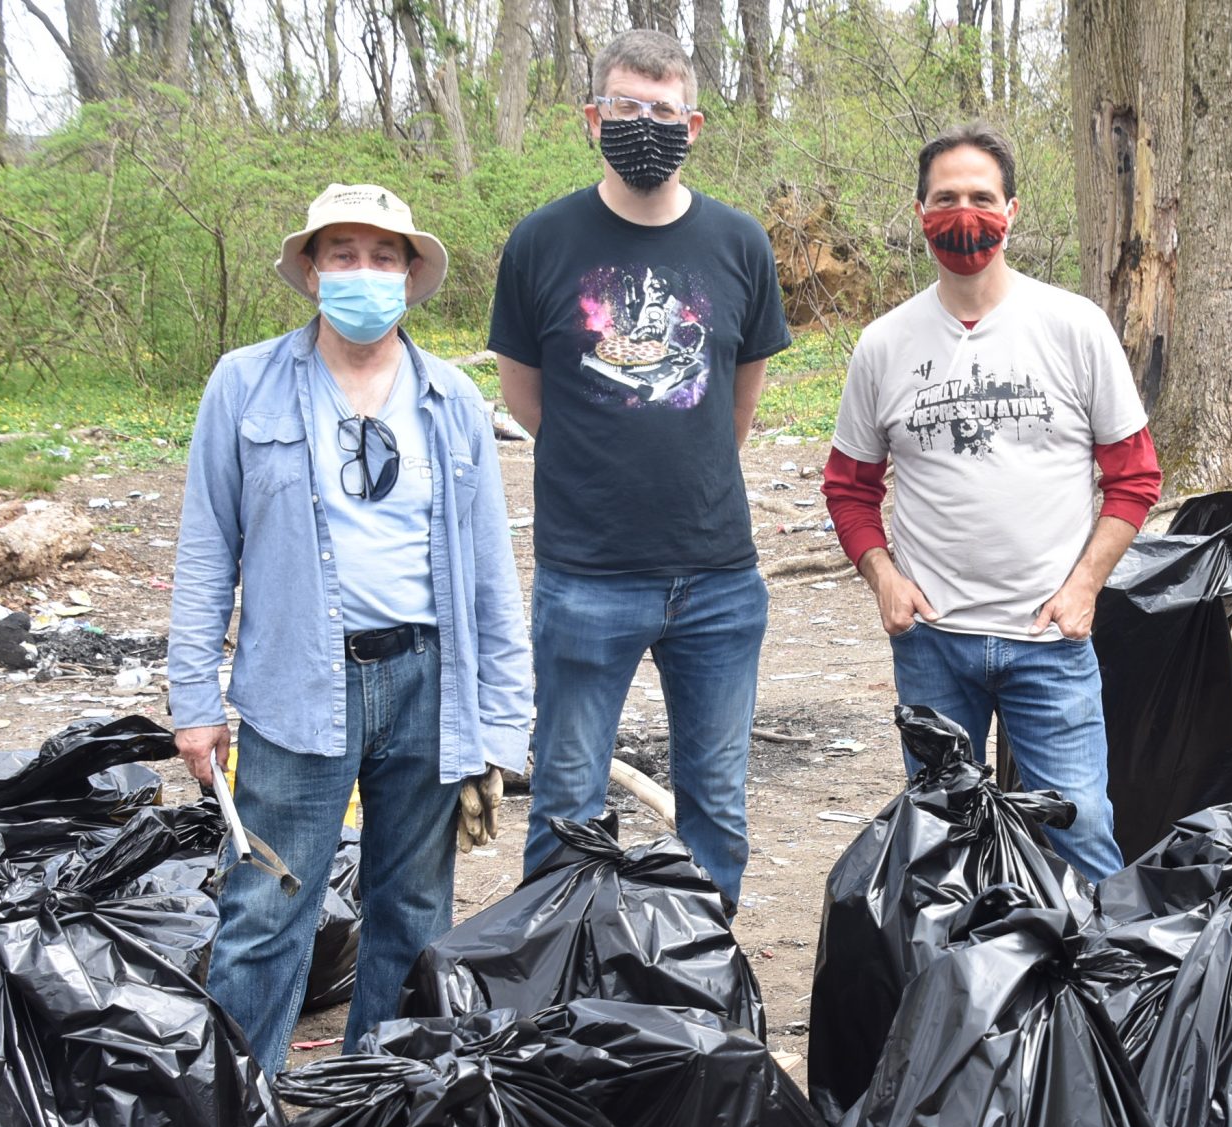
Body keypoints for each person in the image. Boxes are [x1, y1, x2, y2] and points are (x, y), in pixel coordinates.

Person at [169, 183, 531, 1070]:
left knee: (412, 914)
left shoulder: (451, 401)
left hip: (427, 684)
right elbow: (207, 549)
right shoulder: (244, 384)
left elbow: (490, 573)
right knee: (264, 910)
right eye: (342, 255)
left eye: (382, 256)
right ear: (312, 271)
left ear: (410, 276)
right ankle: (231, 1121)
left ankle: (382, 1111)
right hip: (298, 687)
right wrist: (192, 698)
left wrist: (502, 722)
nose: (362, 273)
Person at [490, 29, 791, 898]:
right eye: (626, 106)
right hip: (585, 575)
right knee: (567, 803)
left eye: (663, 110)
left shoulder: (739, 243)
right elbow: (527, 398)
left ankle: (697, 985)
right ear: (593, 117)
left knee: (717, 803)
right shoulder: (542, 241)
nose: (645, 124)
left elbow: (737, 401)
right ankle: (557, 987)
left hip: (718, 579)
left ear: (692, 123)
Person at [821, 123, 1161, 884]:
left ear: (1012, 209)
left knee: (1081, 828)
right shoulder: (885, 343)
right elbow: (848, 485)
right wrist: (883, 579)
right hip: (933, 642)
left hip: (1050, 643)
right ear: (919, 213)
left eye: (981, 197)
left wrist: (1084, 587)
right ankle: (954, 991)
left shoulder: (1073, 327)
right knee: (939, 841)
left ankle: (1098, 992)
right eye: (946, 199)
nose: (963, 214)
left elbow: (1135, 474)